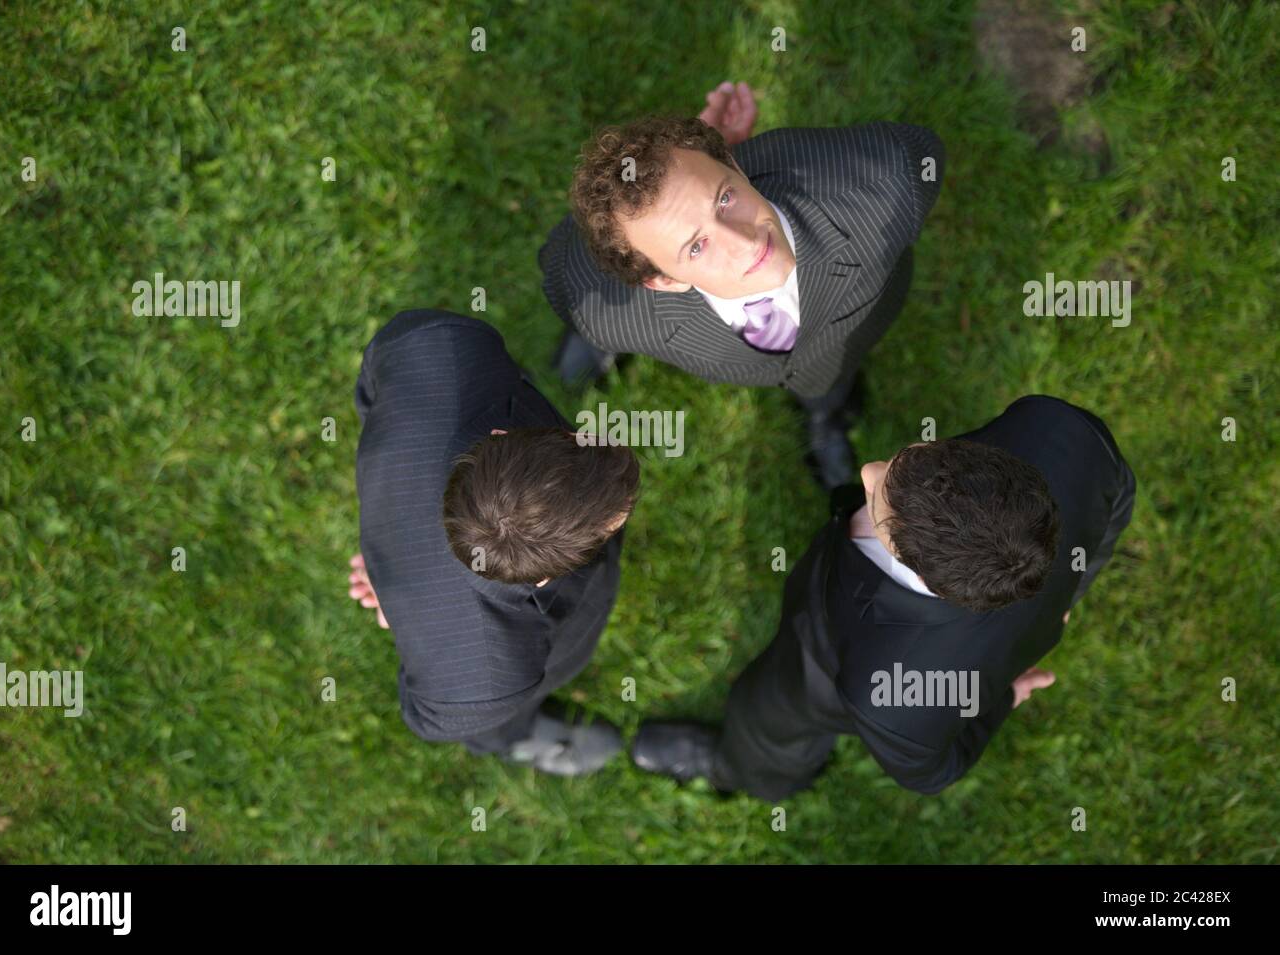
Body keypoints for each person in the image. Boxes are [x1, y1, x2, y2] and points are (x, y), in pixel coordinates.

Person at [632, 395, 1137, 799]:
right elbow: (1117, 495)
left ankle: (740, 769)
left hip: (827, 660)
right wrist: (1074, 586)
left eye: (883, 508)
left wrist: (1003, 697)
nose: (870, 471)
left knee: (767, 715)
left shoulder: (891, 694)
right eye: (917, 459)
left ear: (934, 582)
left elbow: (932, 772)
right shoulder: (1059, 429)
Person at [540, 81, 944, 487]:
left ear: (735, 165)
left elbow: (925, 151)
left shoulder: (887, 182)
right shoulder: (599, 307)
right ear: (663, 281)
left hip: (852, 332)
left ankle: (826, 413)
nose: (746, 242)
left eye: (724, 199)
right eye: (696, 247)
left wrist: (691, 171)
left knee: (830, 376)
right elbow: (562, 262)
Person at [349, 309, 639, 775]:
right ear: (547, 577)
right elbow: (425, 717)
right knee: (503, 711)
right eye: (607, 529)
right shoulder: (479, 680)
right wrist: (411, 617)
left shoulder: (435, 349)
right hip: (511, 662)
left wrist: (405, 585)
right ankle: (514, 737)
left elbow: (373, 391)